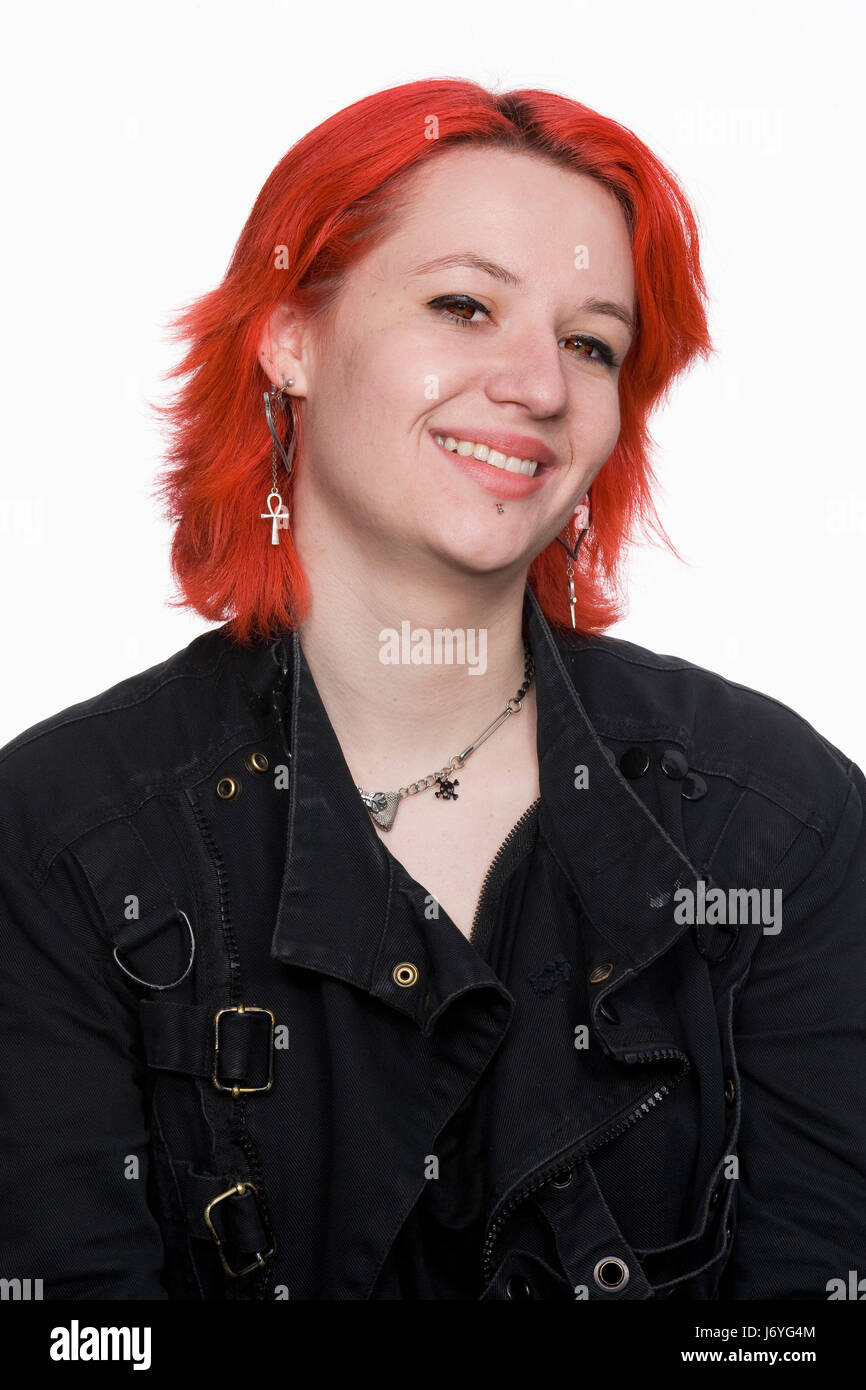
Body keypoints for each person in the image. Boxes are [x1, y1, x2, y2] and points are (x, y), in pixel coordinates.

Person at [0, 76, 863, 1302]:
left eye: (589, 343)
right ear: (290, 338)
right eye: (464, 305)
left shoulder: (774, 816)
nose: (540, 386)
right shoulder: (60, 832)